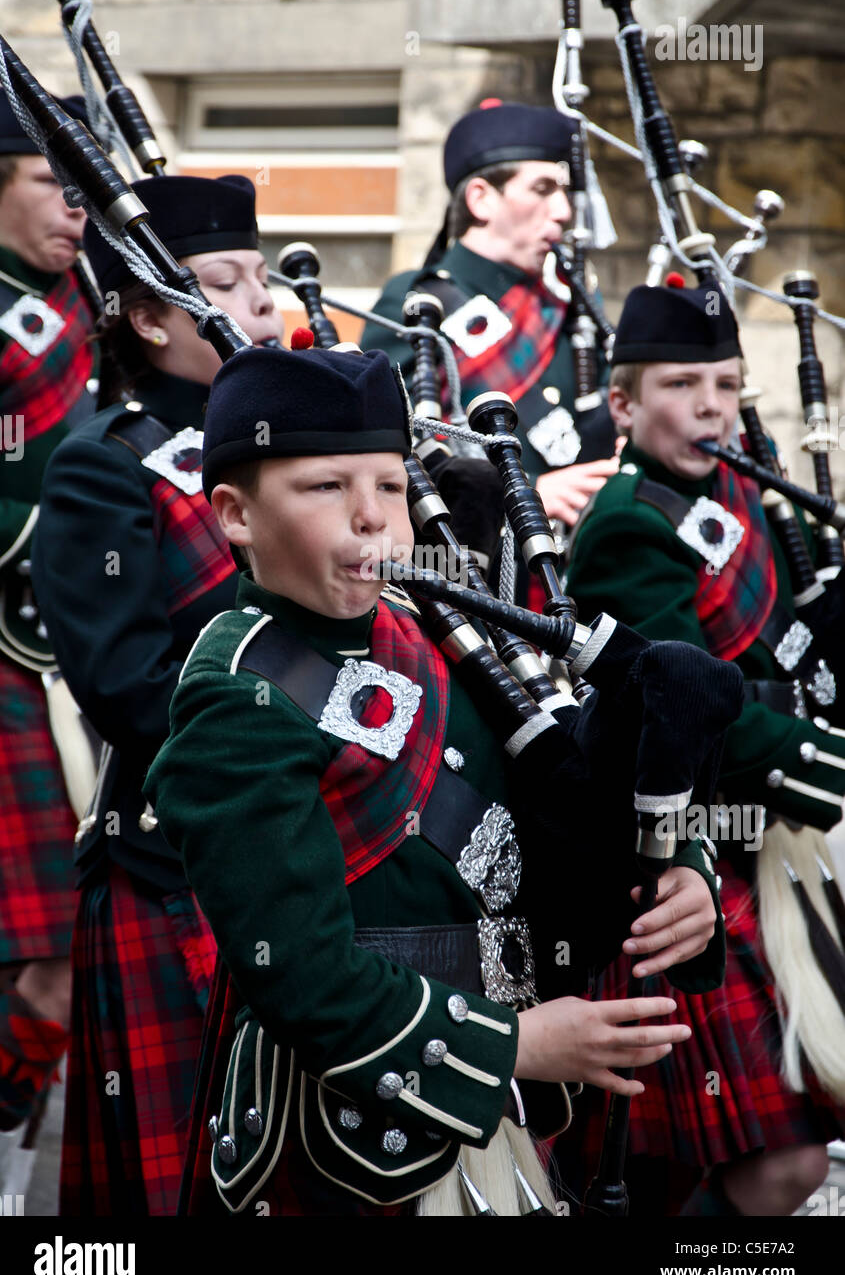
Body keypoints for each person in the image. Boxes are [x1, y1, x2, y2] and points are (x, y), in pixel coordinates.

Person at [142, 338, 738, 1217]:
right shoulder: (240, 693)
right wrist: (510, 1046)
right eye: (323, 487)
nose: (371, 518)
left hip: (491, 1107)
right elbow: (299, 974)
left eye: (389, 485)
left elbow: (561, 790)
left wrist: (685, 865)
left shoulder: (431, 629)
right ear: (233, 514)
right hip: (349, 1136)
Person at [32, 172, 284, 1215]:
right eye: (223, 283)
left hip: (310, 840)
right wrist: (279, 741)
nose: (260, 304)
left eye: (264, 279)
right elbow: (128, 687)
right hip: (173, 852)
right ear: (144, 315)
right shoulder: (106, 465)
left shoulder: (295, 451)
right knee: (172, 1188)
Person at [565, 276, 845, 1215]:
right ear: (622, 403)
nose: (709, 407)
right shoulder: (625, 527)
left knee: (786, 1150)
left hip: (773, 845)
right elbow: (682, 707)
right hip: (694, 852)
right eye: (682, 385)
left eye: (725, 384)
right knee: (759, 1161)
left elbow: (786, 645)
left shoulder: (739, 485)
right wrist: (828, 765)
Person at [0, 85, 96, 1198]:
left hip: (96, 665)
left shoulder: (107, 297)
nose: (78, 209)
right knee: (42, 960)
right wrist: (58, 535)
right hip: (0, 659)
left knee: (77, 962)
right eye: (54, 185)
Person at [361, 100, 618, 536]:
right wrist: (527, 492)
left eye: (563, 192)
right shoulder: (417, 300)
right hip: (481, 564)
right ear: (481, 198)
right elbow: (386, 453)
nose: (563, 211)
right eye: (542, 189)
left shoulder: (571, 301)